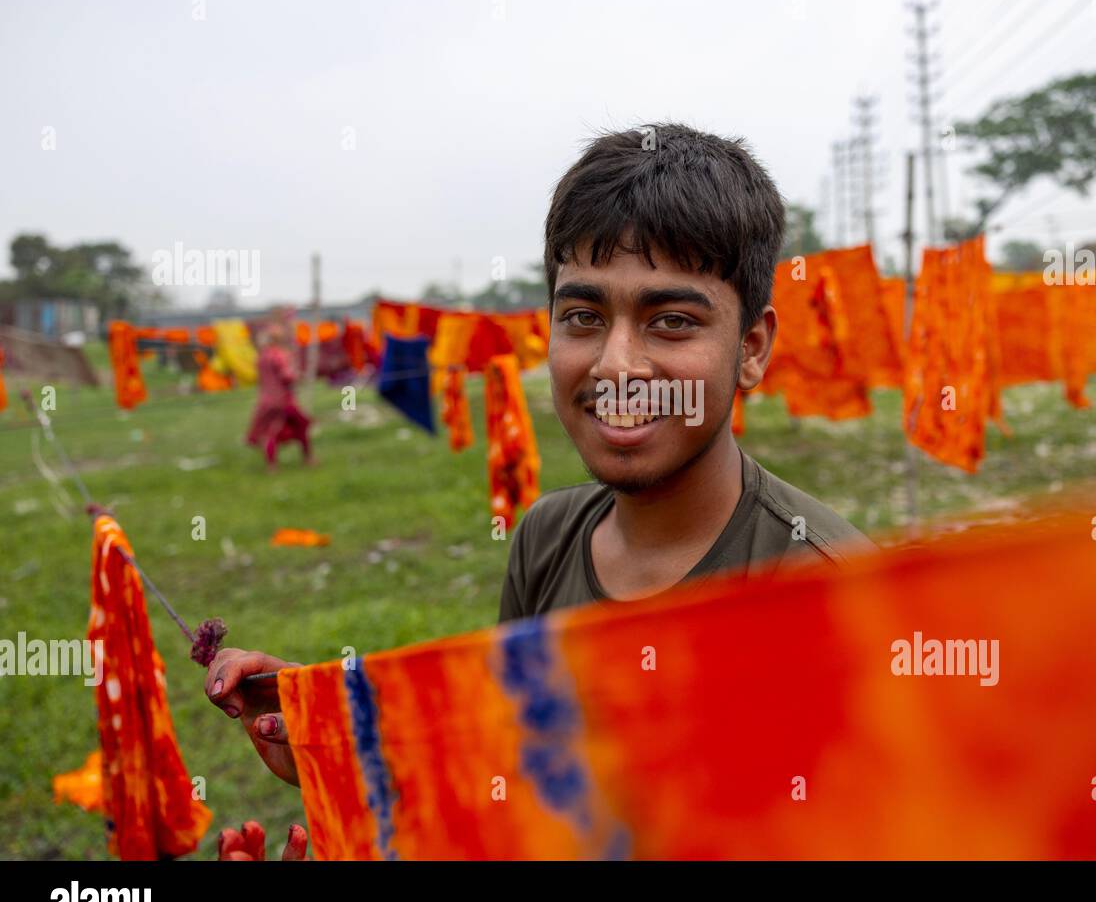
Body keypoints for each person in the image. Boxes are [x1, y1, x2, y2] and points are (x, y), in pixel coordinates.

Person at [207, 123, 871, 787]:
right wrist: (347, 746)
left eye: (671, 320)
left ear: (752, 347)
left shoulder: (833, 592)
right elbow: (521, 774)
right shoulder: (546, 540)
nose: (616, 366)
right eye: (583, 316)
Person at [245, 322, 313, 468]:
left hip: (266, 400)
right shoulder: (279, 355)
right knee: (301, 426)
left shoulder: (261, 357)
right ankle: (308, 458)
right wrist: (300, 376)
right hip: (283, 400)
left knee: (270, 433)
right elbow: (286, 376)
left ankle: (272, 466)